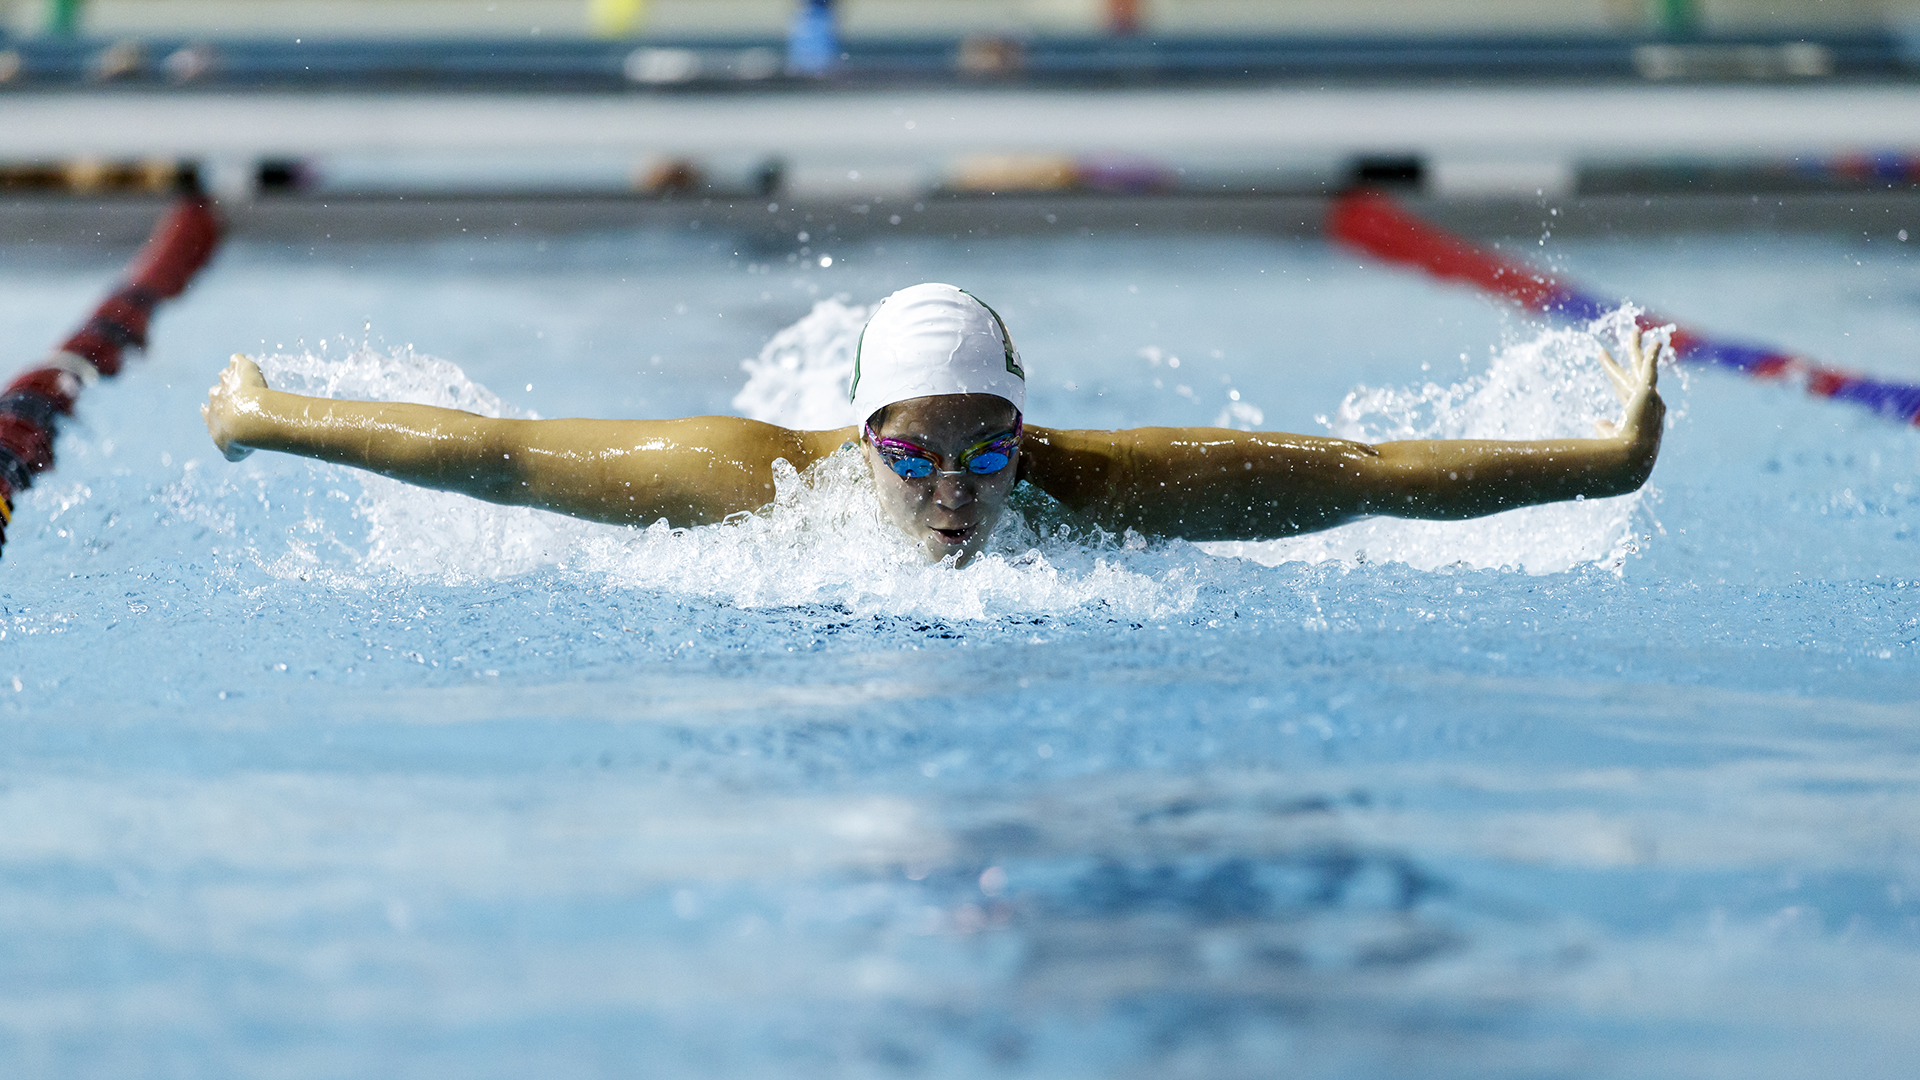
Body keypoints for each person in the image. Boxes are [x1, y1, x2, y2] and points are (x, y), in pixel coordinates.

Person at [201, 282, 1665, 565]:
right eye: (914, 449)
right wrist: (269, 417)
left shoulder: (1110, 495)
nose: (956, 486)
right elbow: (503, 455)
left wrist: (1609, 465)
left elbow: (1371, 481)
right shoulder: (751, 488)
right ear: (855, 442)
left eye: (987, 448)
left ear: (1029, 437)